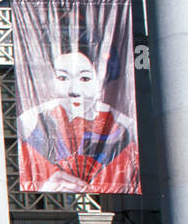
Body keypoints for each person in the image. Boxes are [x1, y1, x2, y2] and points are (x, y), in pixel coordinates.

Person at [17, 49, 138, 193]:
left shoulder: (124, 129)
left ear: (101, 83)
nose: (74, 90)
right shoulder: (31, 123)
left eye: (85, 79)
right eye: (62, 78)